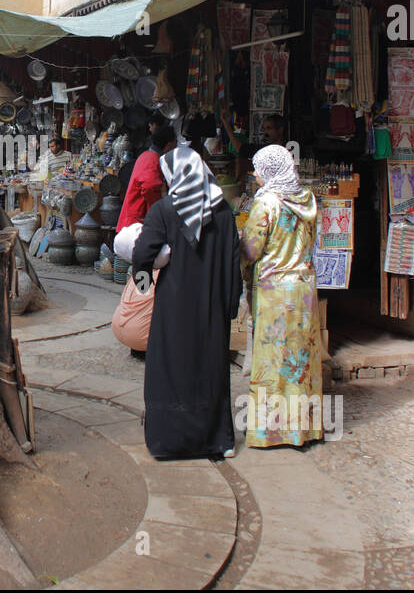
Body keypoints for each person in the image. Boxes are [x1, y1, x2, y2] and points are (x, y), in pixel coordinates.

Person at [131, 145, 241, 459]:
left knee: (170, 367)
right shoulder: (223, 211)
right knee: (211, 368)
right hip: (213, 305)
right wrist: (230, 306)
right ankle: (219, 440)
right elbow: (233, 263)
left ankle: (170, 440)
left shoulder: (165, 210)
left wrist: (144, 285)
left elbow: (142, 255)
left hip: (174, 307)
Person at [239, 145, 324, 449]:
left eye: (259, 169)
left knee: (273, 362)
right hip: (303, 289)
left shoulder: (267, 205)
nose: (255, 174)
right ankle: (304, 429)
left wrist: (245, 274)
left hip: (274, 293)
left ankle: (271, 431)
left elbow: (250, 250)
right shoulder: (308, 200)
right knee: (301, 361)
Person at [116, 125, 176, 230]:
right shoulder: (152, 159)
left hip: (136, 220)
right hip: (137, 222)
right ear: (169, 145)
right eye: (175, 143)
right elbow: (149, 187)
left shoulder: (148, 155)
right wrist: (160, 212)